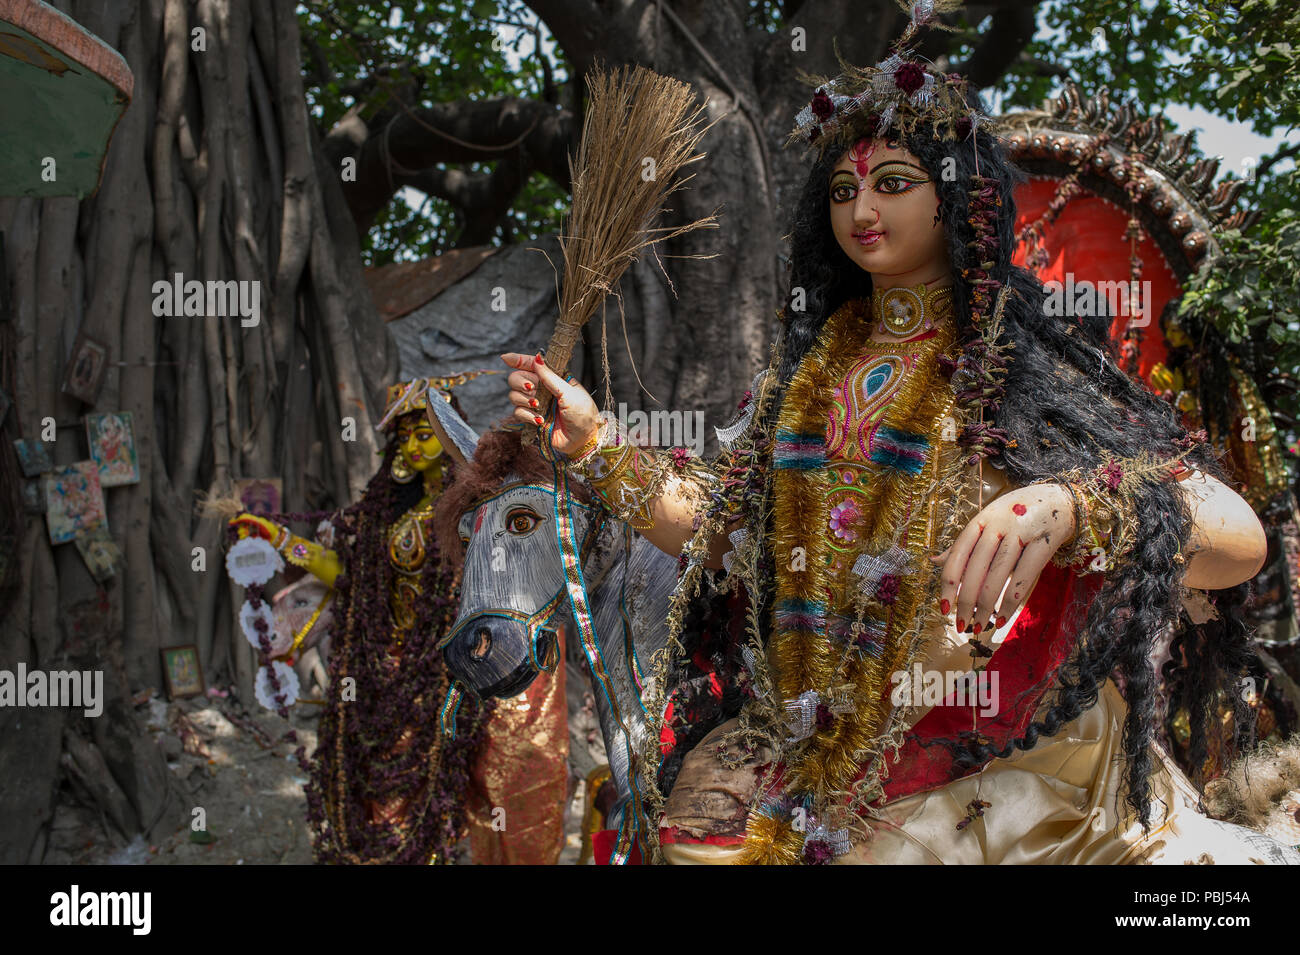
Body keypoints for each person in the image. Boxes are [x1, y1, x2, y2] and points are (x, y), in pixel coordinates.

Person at [500, 9, 1297, 864]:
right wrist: (591, 445)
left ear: (956, 198)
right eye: (844, 190)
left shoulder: (1018, 374)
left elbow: (1238, 538)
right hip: (813, 755)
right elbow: (723, 534)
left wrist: (1063, 505)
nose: (863, 208)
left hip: (998, 760)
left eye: (892, 182)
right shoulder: (802, 383)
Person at [231, 377, 567, 864]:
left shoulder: (483, 508)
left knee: (501, 783)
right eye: (404, 435)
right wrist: (283, 542)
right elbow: (348, 574)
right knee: (385, 793)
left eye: (425, 432)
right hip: (394, 670)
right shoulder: (386, 515)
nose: (413, 445)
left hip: (468, 666)